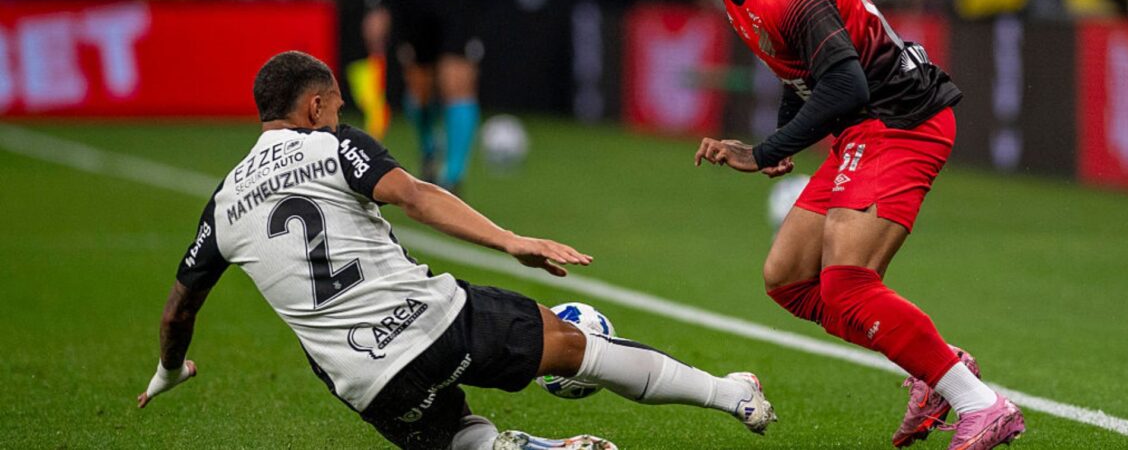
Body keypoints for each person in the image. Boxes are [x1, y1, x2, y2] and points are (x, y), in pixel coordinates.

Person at [135, 51, 776, 450]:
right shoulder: (332, 144)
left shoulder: (223, 203)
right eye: (334, 106)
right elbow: (413, 196)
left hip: (365, 381)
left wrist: (168, 371)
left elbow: (176, 313)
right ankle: (730, 394)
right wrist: (509, 240)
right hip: (435, 323)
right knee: (579, 349)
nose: (338, 115)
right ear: (313, 104)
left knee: (454, 435)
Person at [644, 0, 1026, 450]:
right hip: (863, 129)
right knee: (789, 279)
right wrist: (785, 135)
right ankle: (941, 368)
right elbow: (798, 66)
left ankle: (981, 403)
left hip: (901, 120)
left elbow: (845, 82)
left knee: (846, 285)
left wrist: (764, 151)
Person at [362, 0, 522, 193]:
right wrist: (374, 4)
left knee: (457, 82)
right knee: (419, 87)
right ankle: (428, 147)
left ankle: (453, 176)